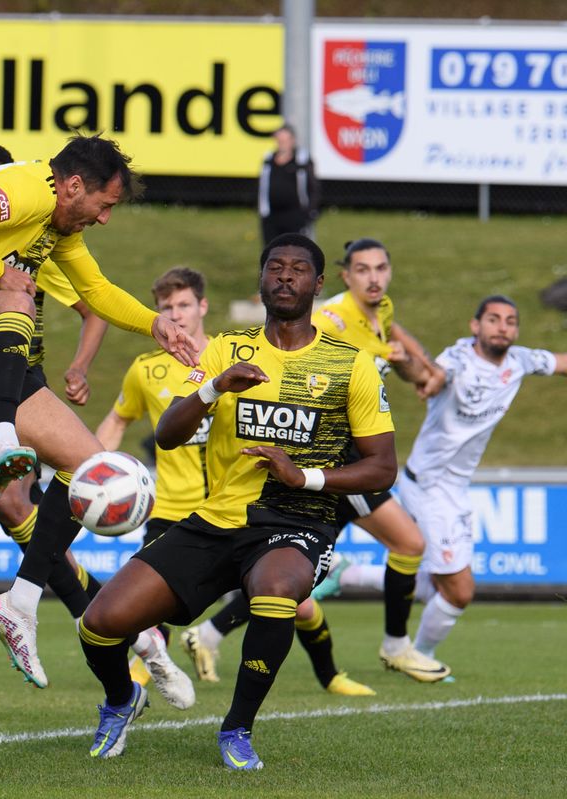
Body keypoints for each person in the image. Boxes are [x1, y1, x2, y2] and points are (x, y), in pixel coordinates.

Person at [0, 133, 198, 690]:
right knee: (17, 298)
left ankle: (20, 603)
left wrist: (156, 323)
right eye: (104, 205)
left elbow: (96, 291)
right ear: (74, 185)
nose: (104, 219)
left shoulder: (56, 227)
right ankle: (3, 439)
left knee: (91, 466)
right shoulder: (27, 185)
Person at [77, 234, 396, 768]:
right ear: (262, 280)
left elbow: (381, 466)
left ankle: (237, 729)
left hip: (299, 519)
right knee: (100, 622)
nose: (286, 276)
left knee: (275, 591)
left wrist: (305, 478)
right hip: (218, 516)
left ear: (319, 284)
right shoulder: (228, 348)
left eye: (299, 270)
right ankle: (120, 698)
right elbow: (168, 435)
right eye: (276, 267)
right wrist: (212, 388)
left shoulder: (351, 365)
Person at [182, 237, 450, 685]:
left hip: (330, 464)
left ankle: (211, 635)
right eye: (363, 270)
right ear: (343, 278)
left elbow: (393, 339)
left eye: (381, 268)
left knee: (290, 582)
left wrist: (423, 369)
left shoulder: (380, 312)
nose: (374, 278)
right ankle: (396, 646)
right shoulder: (332, 319)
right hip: (333, 458)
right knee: (407, 545)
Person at [393, 296, 564, 669]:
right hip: (428, 486)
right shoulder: (458, 360)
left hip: (454, 488)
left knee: (434, 579)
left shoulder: (519, 360)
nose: (502, 326)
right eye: (493, 319)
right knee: (460, 591)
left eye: (510, 321)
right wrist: (407, 365)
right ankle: (418, 655)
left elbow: (560, 362)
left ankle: (349, 574)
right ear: (475, 326)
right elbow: (428, 375)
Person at [257, 124, 319, 247]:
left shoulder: (302, 160)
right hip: (272, 216)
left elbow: (314, 188)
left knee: (296, 251)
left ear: (292, 141)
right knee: (271, 250)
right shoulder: (268, 160)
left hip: (296, 215)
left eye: (285, 140)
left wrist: (309, 211)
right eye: (279, 140)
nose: (282, 144)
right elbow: (263, 187)